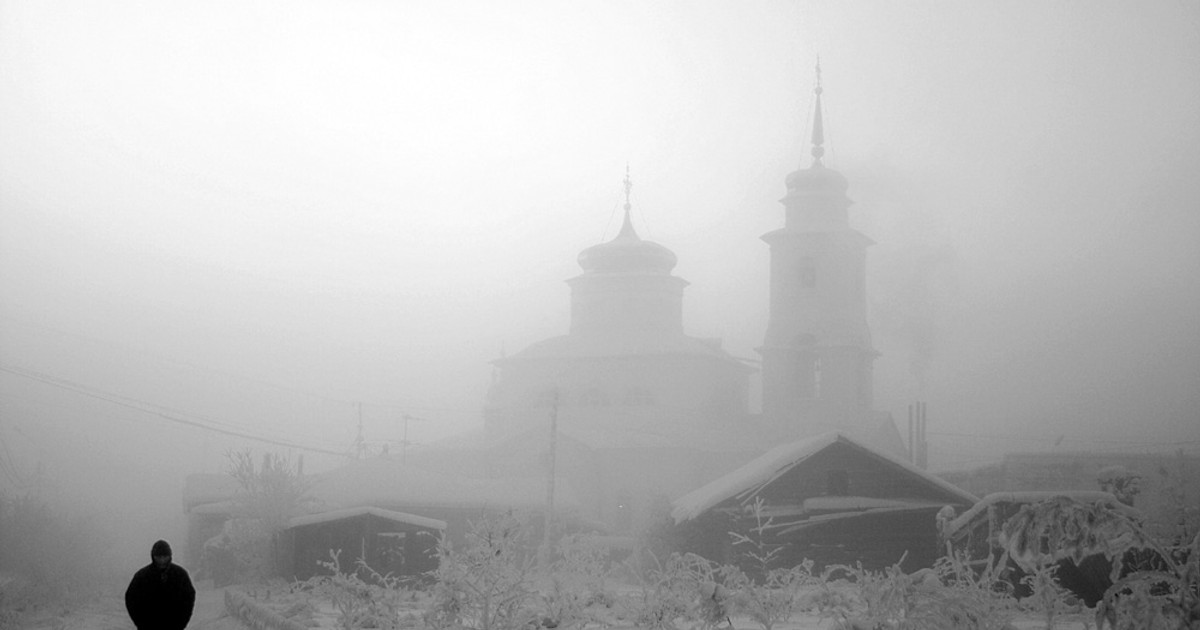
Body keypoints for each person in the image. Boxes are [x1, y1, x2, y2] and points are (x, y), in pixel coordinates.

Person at [125, 539, 196, 630]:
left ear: (170, 556)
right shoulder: (142, 576)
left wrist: (181, 623)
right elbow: (131, 599)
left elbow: (188, 599)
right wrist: (141, 623)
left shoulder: (180, 575)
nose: (162, 560)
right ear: (153, 556)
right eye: (158, 557)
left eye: (165, 556)